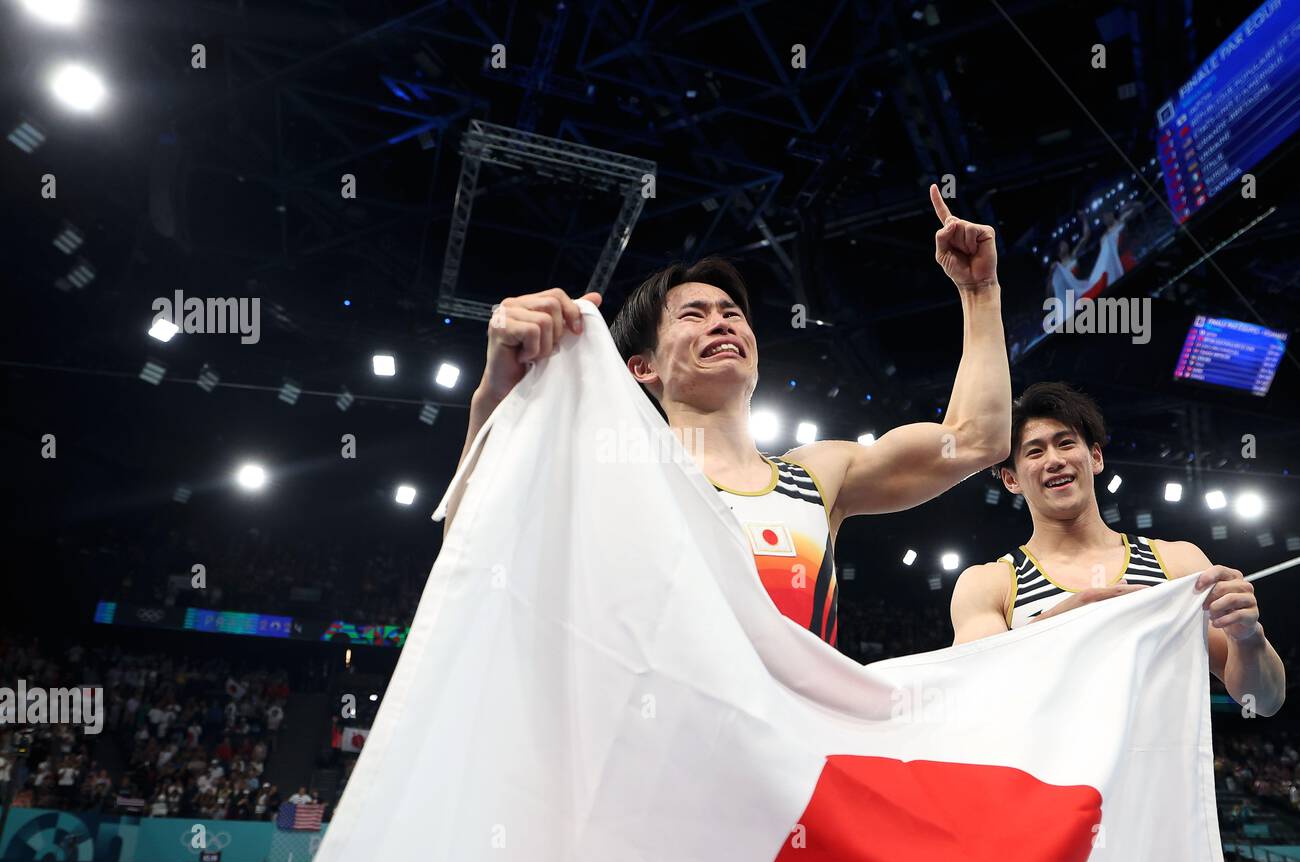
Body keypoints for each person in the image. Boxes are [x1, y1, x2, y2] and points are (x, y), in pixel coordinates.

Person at [447, 185, 1012, 647]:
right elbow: (470, 549)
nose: (722, 323)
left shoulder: (818, 477)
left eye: (732, 313)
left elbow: (977, 438)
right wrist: (497, 396)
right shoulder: (613, 474)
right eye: (693, 314)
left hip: (796, 768)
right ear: (642, 367)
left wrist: (979, 291)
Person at [949, 381, 1286, 716]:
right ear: (1012, 480)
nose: (1054, 460)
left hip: (1163, 768)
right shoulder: (990, 583)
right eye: (1035, 451)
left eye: (1066, 443)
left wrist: (1248, 636)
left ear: (1095, 457)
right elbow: (970, 692)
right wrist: (1055, 626)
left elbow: (1264, 701)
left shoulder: (1176, 562)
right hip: (1053, 770)